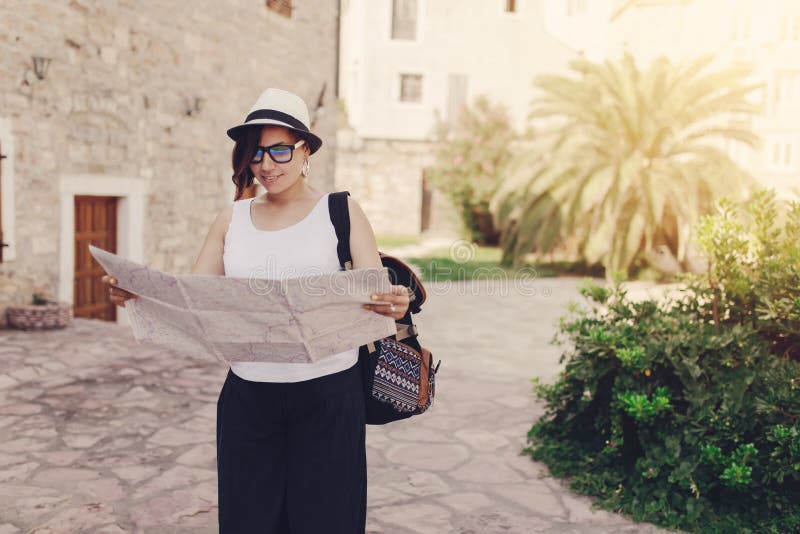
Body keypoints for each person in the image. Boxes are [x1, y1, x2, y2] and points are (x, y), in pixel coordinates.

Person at [101, 87, 410, 533]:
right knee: (249, 521)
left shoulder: (339, 211)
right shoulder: (232, 220)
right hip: (249, 399)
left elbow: (377, 294)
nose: (265, 165)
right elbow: (196, 298)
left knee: (327, 521)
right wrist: (137, 295)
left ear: (307, 151)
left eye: (279, 151)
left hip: (329, 396)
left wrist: (393, 303)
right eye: (256, 153)